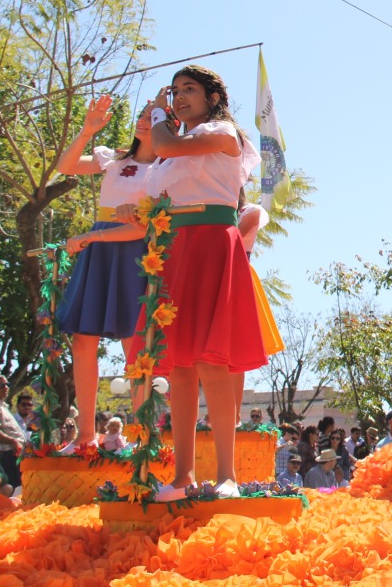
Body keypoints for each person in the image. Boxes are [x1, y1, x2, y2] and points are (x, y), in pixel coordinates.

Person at [93, 66, 272, 502]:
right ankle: (183, 476)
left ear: (214, 96)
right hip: (174, 248)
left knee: (213, 361)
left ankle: (228, 475)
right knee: (179, 366)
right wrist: (137, 215)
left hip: (212, 243)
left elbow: (166, 141)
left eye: (189, 90)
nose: (179, 98)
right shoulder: (170, 156)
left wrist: (156, 114)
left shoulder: (225, 133)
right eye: (174, 92)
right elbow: (164, 195)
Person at [58, 97, 159, 452]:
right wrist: (88, 129)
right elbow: (66, 166)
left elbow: (142, 229)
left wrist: (91, 236)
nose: (144, 121)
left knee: (135, 346)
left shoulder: (167, 170)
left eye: (154, 117)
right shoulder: (115, 158)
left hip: (134, 256)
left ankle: (142, 439)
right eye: (143, 114)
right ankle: (85, 436)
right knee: (82, 338)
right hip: (98, 252)